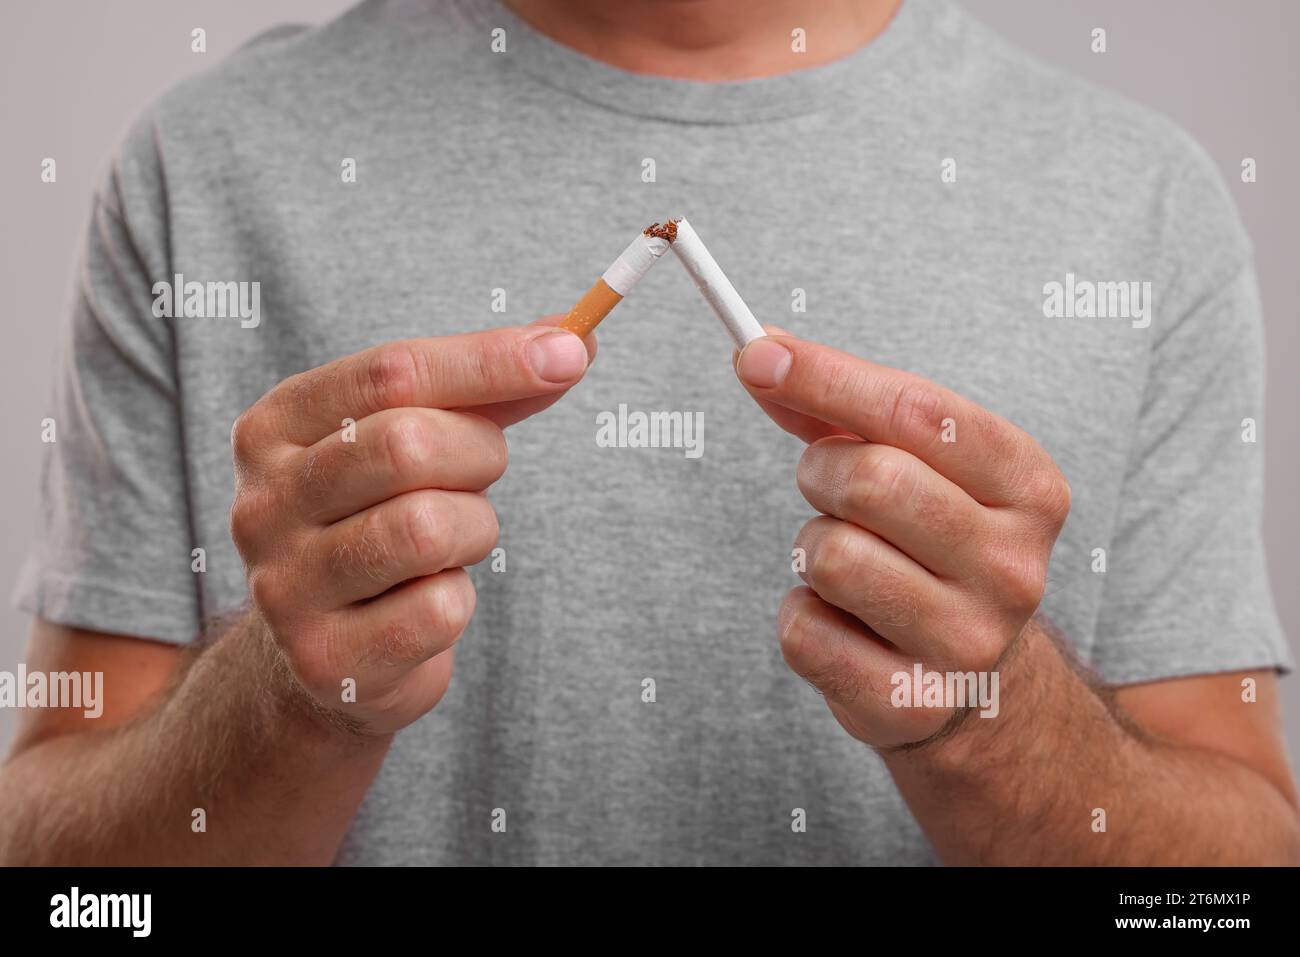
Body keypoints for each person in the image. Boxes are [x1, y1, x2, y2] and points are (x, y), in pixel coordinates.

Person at [2, 0, 1295, 865]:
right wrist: (293, 701)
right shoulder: (209, 164)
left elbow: (1237, 870)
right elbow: (59, 878)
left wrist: (988, 720)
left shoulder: (1139, 200)